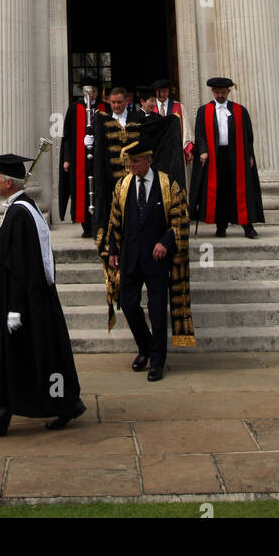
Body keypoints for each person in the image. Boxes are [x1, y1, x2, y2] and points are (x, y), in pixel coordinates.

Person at [0, 154, 85, 437]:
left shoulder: (18, 213)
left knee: (8, 360)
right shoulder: (23, 207)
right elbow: (18, 257)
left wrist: (14, 308)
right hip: (30, 300)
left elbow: (22, 266)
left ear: (7, 182)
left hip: (18, 302)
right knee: (42, 355)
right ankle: (66, 403)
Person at [105, 139, 195, 380]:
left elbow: (179, 219)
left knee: (157, 310)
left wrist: (165, 242)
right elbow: (114, 220)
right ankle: (145, 346)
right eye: (129, 161)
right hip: (130, 258)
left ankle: (157, 361)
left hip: (156, 260)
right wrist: (113, 249)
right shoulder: (122, 186)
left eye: (135, 161)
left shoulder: (168, 184)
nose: (131, 165)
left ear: (148, 160)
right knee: (129, 303)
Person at [189, 76, 264, 239]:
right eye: (217, 92)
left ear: (228, 92)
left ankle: (247, 226)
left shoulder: (240, 110)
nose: (220, 95)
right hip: (214, 156)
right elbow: (200, 134)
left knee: (239, 189)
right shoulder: (204, 111)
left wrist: (250, 154)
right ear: (213, 92)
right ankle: (221, 226)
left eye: (223, 92)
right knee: (219, 191)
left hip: (235, 154)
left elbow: (248, 135)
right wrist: (203, 150)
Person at [92, 85, 144, 256]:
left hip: (134, 180)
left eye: (119, 102)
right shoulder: (103, 122)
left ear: (126, 101)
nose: (116, 106)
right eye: (113, 102)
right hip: (112, 182)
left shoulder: (137, 119)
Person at [58, 73, 105, 237]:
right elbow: (67, 137)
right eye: (88, 90)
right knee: (82, 191)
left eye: (94, 91)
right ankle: (86, 226)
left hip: (99, 157)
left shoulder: (103, 108)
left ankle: (99, 224)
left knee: (99, 189)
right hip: (80, 159)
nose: (91, 94)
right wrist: (66, 158)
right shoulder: (74, 108)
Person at [136, 86, 186, 191]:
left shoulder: (158, 118)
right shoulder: (134, 118)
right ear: (142, 101)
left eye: (155, 101)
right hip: (141, 159)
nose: (154, 104)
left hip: (157, 160)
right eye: (151, 101)